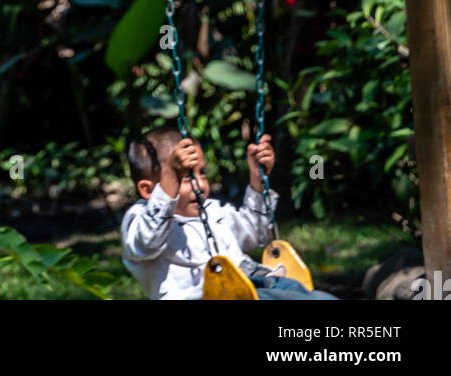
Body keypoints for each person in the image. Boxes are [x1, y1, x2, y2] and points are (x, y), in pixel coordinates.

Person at [122, 128, 339, 300]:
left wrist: (257, 176)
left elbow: (256, 233)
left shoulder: (212, 210)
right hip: (204, 297)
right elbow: (147, 242)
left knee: (312, 295)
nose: (201, 185)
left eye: (203, 172)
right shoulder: (140, 219)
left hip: (255, 285)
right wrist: (170, 181)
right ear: (149, 190)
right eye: (185, 177)